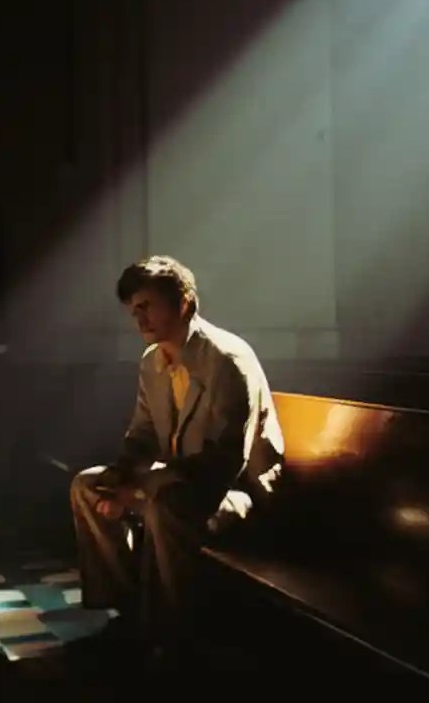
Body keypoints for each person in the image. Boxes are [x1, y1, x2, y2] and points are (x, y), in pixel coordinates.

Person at [69, 255, 284, 660]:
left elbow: (225, 461)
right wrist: (119, 475)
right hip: (181, 480)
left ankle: (174, 633)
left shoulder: (228, 360)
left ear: (183, 302)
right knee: (87, 486)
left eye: (146, 306)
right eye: (134, 310)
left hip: (238, 491)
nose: (139, 319)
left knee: (167, 506)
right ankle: (128, 610)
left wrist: (142, 485)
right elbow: (144, 432)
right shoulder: (153, 362)